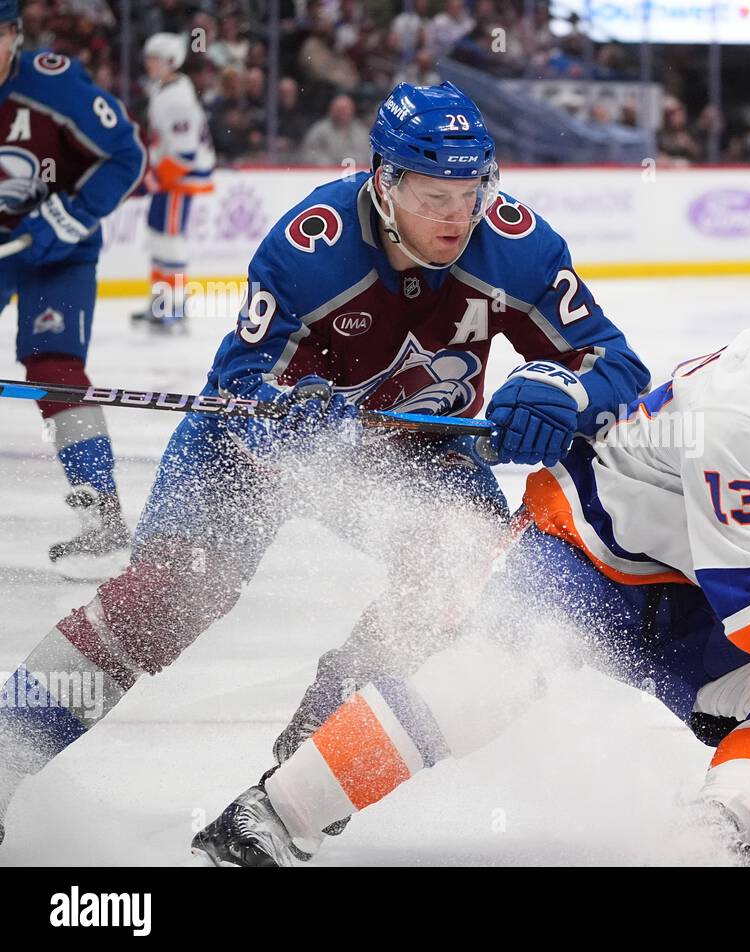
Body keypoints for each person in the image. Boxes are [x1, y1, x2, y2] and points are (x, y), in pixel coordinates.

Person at [0, 81, 650, 846]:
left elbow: (619, 365)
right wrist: (294, 416)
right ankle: (7, 753)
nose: (458, 215)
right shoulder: (309, 247)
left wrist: (560, 392)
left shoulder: (517, 246)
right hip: (244, 448)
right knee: (173, 591)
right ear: (384, 180)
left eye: (473, 191)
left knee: (457, 582)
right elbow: (244, 387)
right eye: (436, 195)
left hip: (418, 450)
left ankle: (290, 792)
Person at [190, 271, 750, 866]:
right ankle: (270, 816)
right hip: (581, 557)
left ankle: (704, 844)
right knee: (487, 683)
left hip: (692, 596)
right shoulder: (744, 418)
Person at [0, 0, 147, 575]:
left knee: (53, 367)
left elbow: (125, 154)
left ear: (13, 35)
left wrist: (70, 215)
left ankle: (103, 514)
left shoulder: (54, 86)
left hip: (56, 251)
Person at [130, 32, 215, 331]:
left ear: (170, 61)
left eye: (154, 59)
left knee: (170, 239)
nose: (149, 64)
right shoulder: (166, 88)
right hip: (170, 171)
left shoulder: (177, 98)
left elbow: (185, 153)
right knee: (158, 236)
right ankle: (160, 303)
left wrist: (152, 181)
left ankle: (175, 305)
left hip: (179, 175)